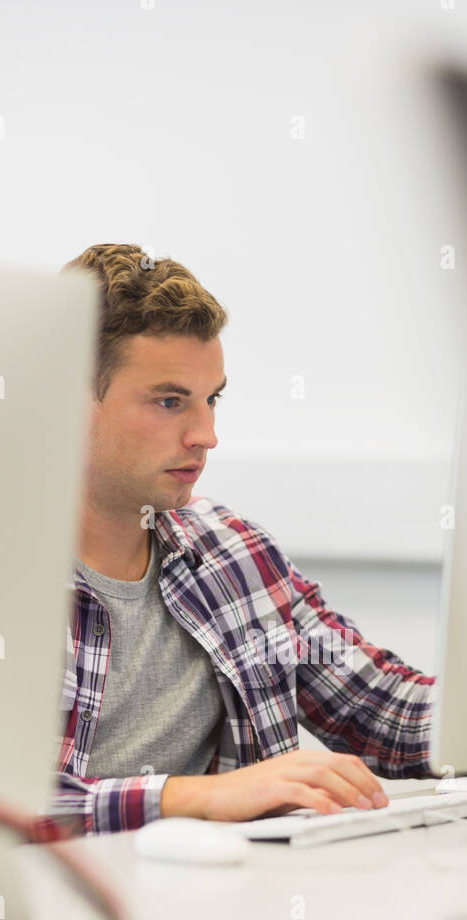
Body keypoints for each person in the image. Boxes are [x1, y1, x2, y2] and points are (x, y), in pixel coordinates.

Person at [44, 243, 436, 835]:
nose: (206, 435)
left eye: (212, 400)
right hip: (50, 917)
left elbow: (381, 712)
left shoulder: (234, 554)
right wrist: (196, 797)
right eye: (169, 401)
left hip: (220, 908)